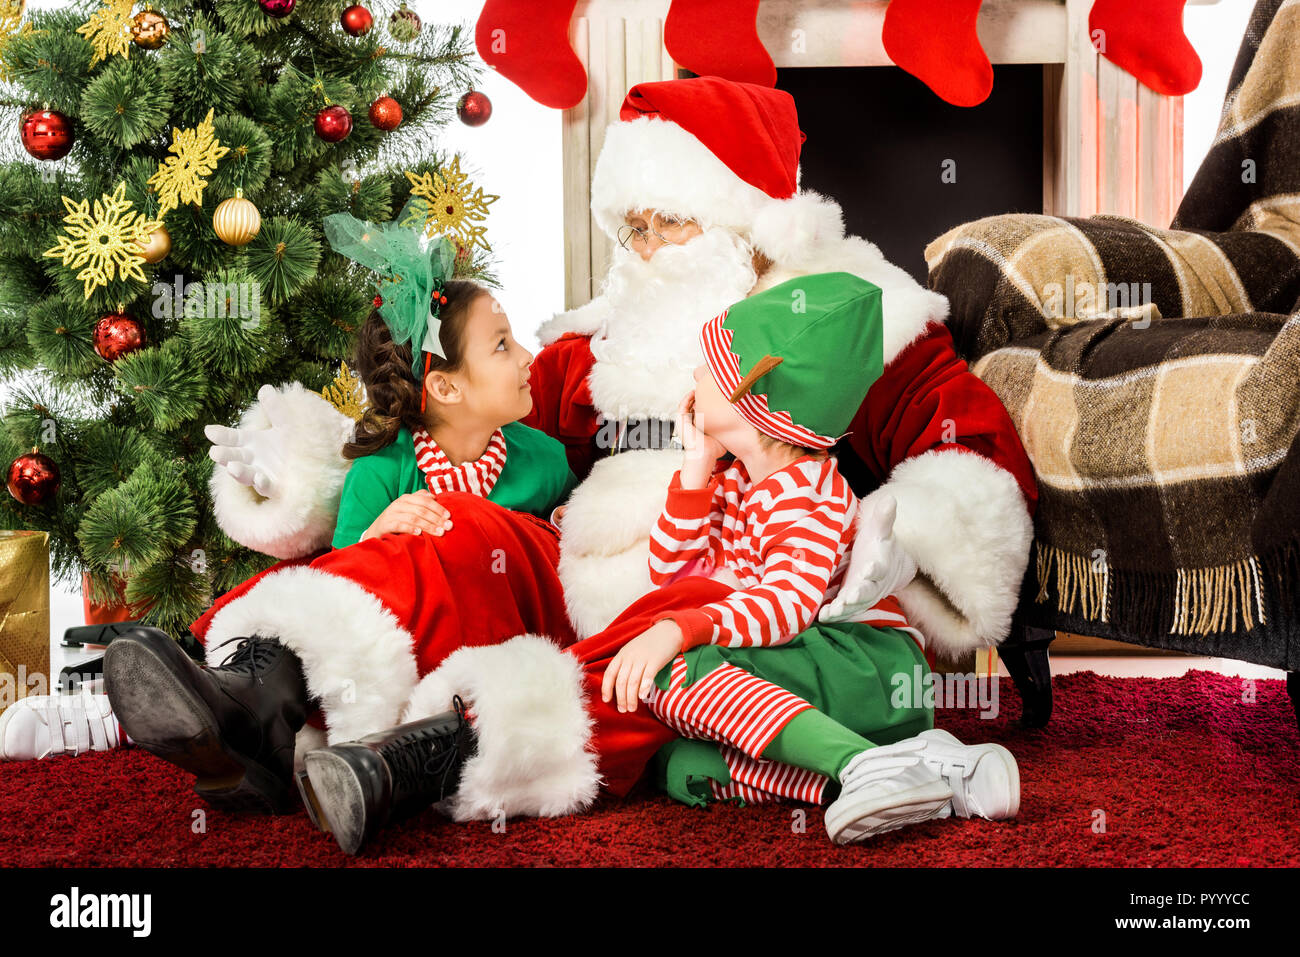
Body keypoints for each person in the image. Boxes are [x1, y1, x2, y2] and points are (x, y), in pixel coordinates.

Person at [298, 273, 1019, 853]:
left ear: (756, 398)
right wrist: (697, 466)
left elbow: (785, 604)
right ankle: (923, 772)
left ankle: (859, 764)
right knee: (680, 767)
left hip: (864, 665)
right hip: (802, 679)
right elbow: (671, 568)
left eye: (707, 373)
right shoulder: (736, 477)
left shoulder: (811, 492)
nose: (691, 385)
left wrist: (681, 631)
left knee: (678, 671)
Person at [102, 199, 580, 813]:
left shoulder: (541, 458)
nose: (526, 357)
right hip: (418, 641)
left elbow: (569, 549)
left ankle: (274, 720)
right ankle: (253, 706)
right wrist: (382, 534)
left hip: (502, 627)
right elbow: (350, 585)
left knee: (455, 520)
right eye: (502, 346)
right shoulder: (383, 469)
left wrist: (565, 520)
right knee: (325, 576)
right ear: (446, 387)